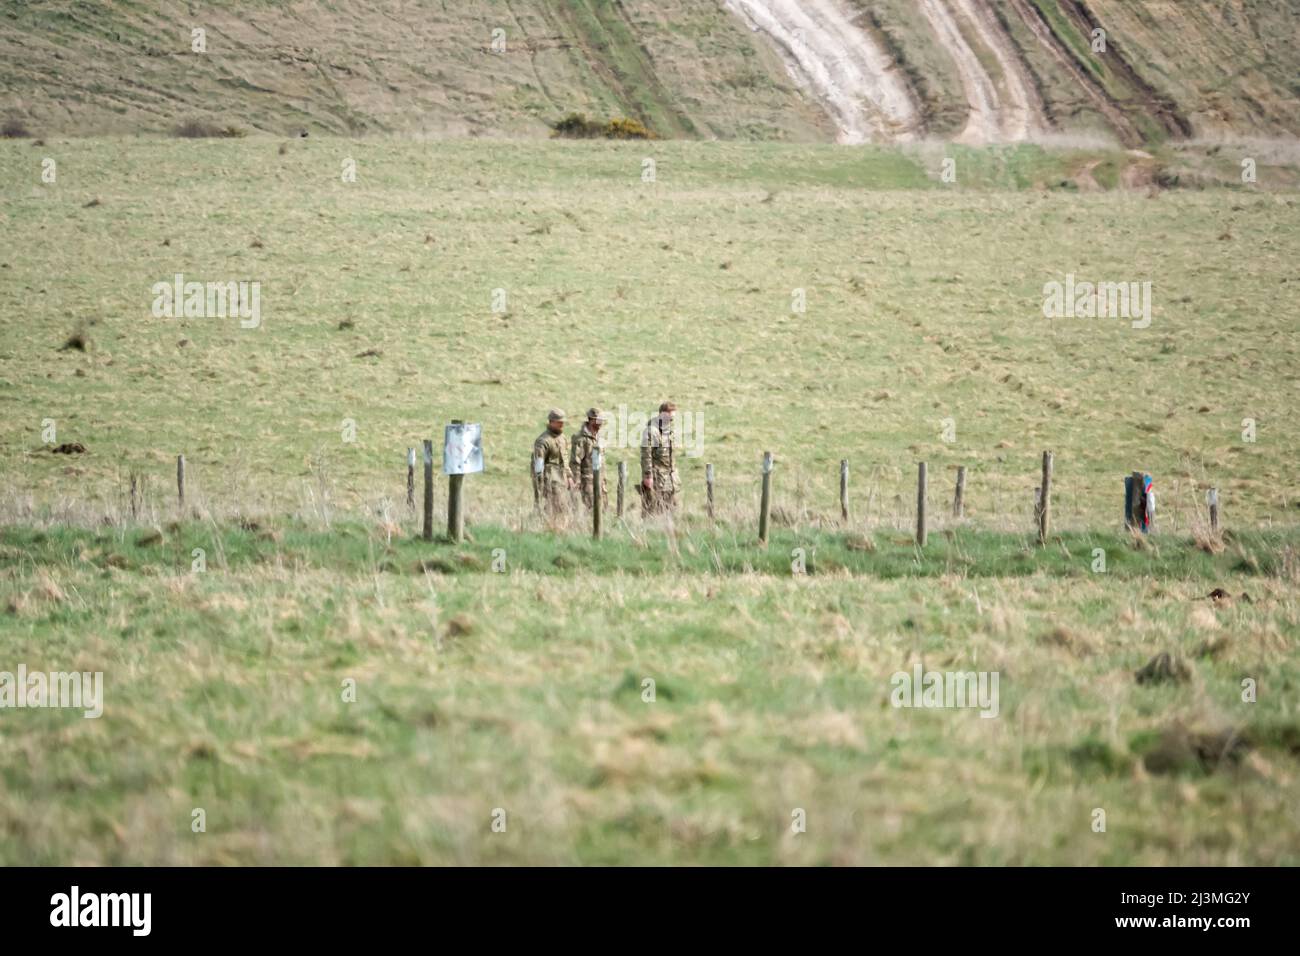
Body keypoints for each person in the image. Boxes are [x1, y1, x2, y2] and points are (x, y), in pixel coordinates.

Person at [640, 401, 679, 514]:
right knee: (653, 508)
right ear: (662, 414)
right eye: (669, 418)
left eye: (672, 419)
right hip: (656, 477)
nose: (670, 421)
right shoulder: (651, 431)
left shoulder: (669, 431)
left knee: (670, 507)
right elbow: (646, 455)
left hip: (670, 477)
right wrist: (648, 476)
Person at [533, 409, 573, 517]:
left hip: (562, 481)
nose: (562, 424)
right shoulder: (543, 441)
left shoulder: (562, 438)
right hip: (550, 482)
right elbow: (538, 467)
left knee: (563, 509)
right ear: (551, 422)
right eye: (559, 422)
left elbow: (565, 460)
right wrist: (540, 486)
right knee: (550, 510)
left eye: (563, 422)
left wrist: (569, 477)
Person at [570, 407, 608, 510]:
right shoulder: (581, 439)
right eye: (599, 420)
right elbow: (575, 462)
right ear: (591, 420)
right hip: (588, 483)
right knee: (590, 511)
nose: (601, 423)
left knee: (602, 511)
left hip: (601, 482)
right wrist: (576, 482)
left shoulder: (600, 437)